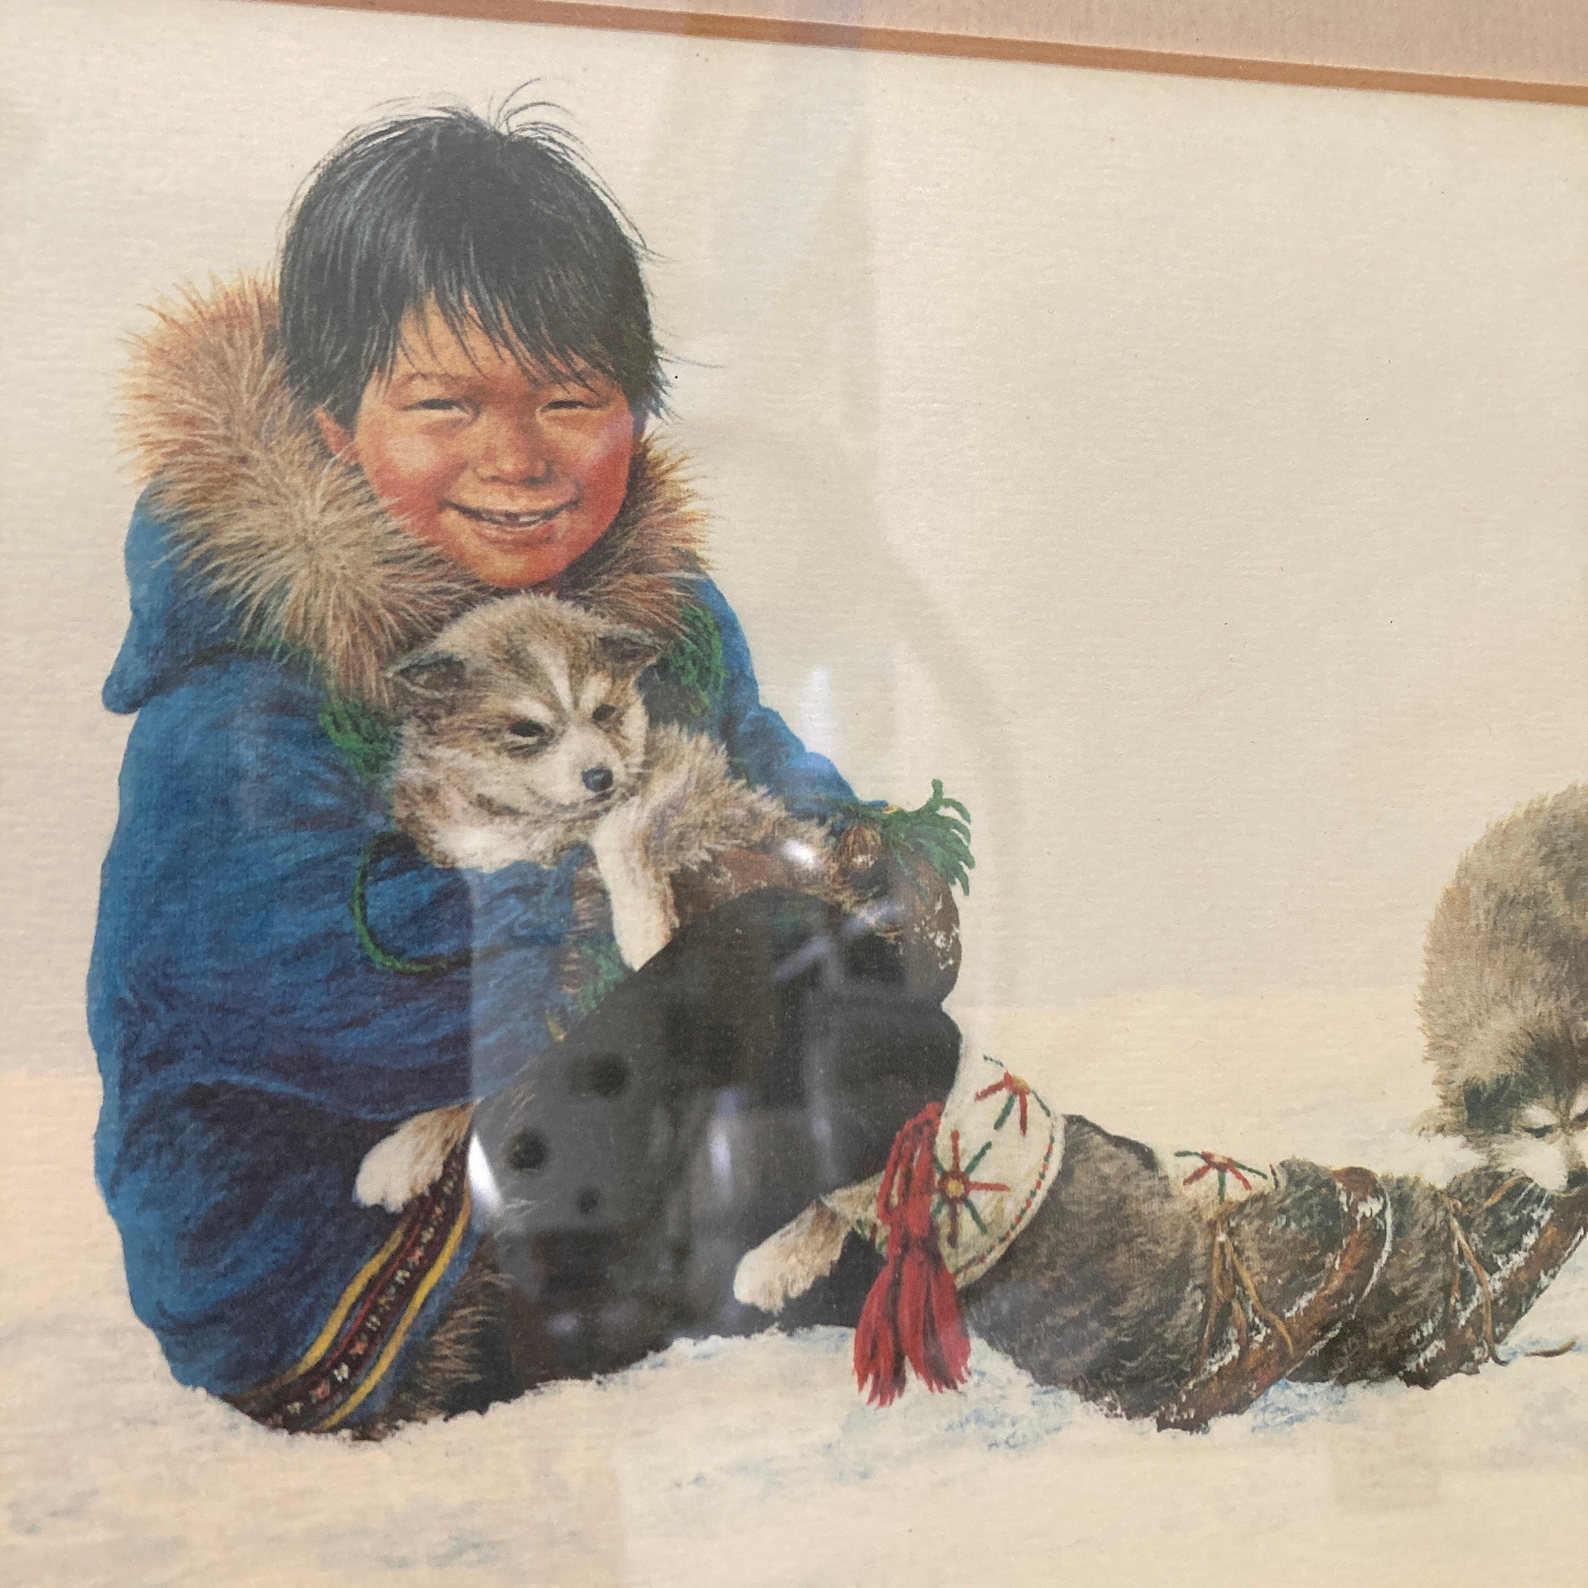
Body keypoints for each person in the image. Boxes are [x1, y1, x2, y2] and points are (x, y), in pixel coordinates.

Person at [88, 103, 966, 1437]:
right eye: (446, 405)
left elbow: (774, 779)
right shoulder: (240, 706)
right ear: (335, 417)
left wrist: (854, 862)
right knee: (804, 993)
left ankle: (934, 1237)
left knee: (875, 1007)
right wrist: (695, 912)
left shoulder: (644, 624)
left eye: (574, 399)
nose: (521, 457)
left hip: (571, 1158)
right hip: (338, 1281)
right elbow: (359, 1002)